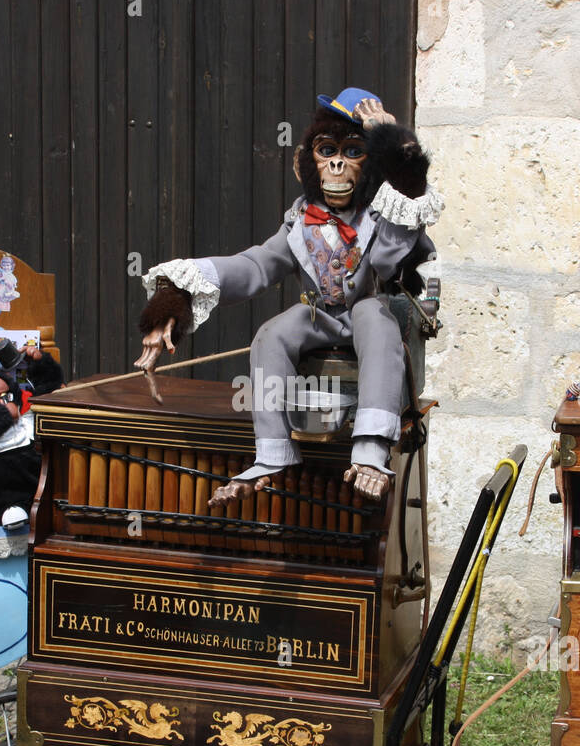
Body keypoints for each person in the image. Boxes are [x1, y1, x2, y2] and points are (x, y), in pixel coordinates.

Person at [134, 87, 441, 504]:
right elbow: (253, 266)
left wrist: (396, 149)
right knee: (271, 334)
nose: (336, 163)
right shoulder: (301, 220)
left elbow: (391, 261)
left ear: (371, 163)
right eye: (327, 150)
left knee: (374, 316)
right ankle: (273, 453)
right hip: (320, 316)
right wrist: (173, 299)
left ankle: (370, 450)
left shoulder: (382, 214)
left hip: (369, 313)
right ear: (307, 161)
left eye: (352, 151)